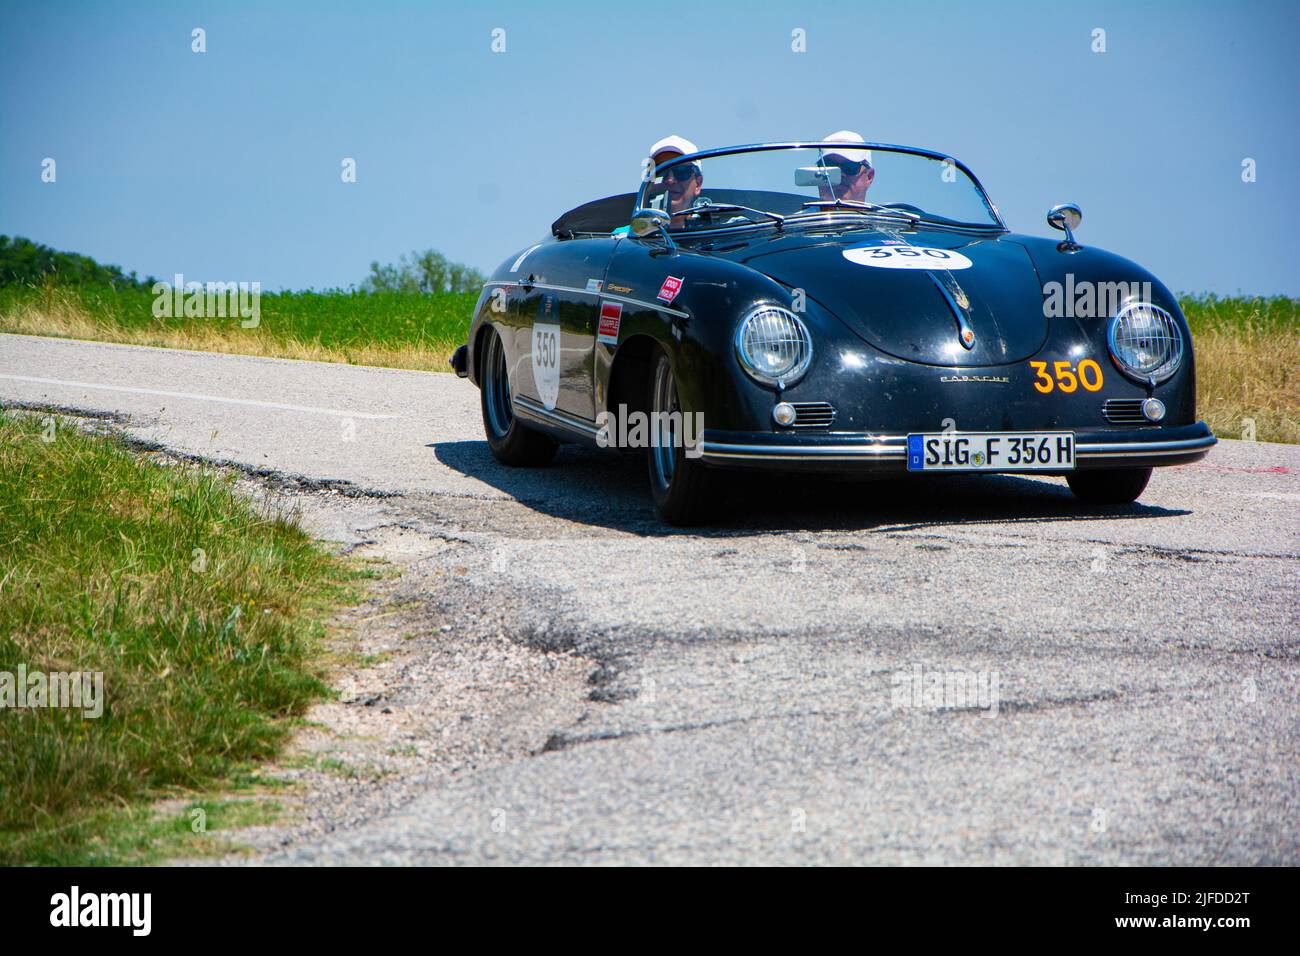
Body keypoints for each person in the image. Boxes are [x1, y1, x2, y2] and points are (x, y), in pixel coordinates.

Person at [818, 130, 874, 203]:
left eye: (850, 166)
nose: (840, 174)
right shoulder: (801, 214)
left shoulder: (887, 214)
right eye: (829, 166)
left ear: (869, 176)